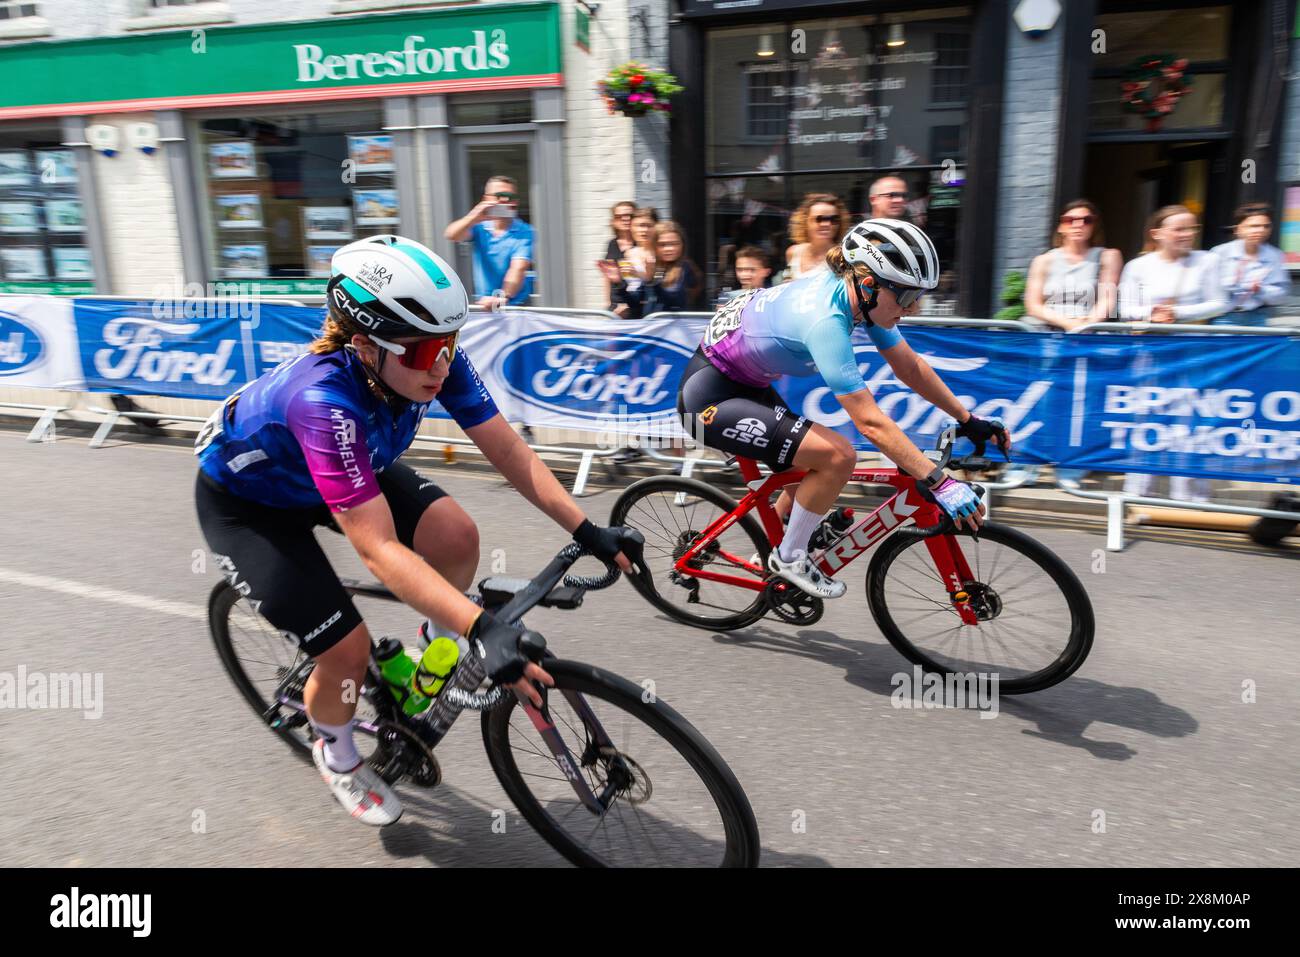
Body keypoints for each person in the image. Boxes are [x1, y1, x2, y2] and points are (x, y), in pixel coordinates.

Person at [194, 235, 631, 826]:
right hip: (251, 507)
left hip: (343, 468)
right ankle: (339, 752)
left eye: (451, 344)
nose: (443, 363)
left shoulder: (421, 360)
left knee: (457, 536)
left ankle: (432, 647)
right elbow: (377, 549)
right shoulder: (323, 402)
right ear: (364, 347)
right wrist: (480, 625)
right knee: (344, 653)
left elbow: (509, 451)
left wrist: (587, 528)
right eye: (426, 352)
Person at [677, 218, 1009, 599]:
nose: (914, 308)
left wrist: (968, 419)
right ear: (869, 285)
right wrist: (940, 482)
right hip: (708, 400)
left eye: (919, 296)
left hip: (746, 382)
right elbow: (869, 423)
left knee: (809, 466)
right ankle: (789, 559)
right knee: (837, 455)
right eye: (906, 297)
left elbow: (909, 366)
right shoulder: (826, 320)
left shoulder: (861, 297)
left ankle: (781, 541)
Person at [1119, 205, 1227, 503]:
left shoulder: (1208, 262)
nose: (1187, 234)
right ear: (1158, 233)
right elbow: (1126, 308)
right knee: (1147, 416)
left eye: (1192, 228)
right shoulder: (1138, 266)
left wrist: (1177, 312)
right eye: (1179, 228)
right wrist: (1152, 315)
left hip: (1194, 352)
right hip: (1152, 350)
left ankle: (1189, 495)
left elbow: (1220, 302)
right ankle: (1139, 492)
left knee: (1190, 418)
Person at [1024, 199, 1123, 331]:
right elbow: (1033, 305)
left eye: (1087, 220)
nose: (1078, 224)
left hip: (1088, 327)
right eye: (1070, 220)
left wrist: (1086, 325)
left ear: (1093, 226)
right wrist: (1068, 323)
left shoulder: (1108, 256)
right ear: (1061, 227)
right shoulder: (1043, 260)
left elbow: (1107, 301)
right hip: (1047, 327)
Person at [443, 175, 534, 308]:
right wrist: (474, 216)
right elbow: (451, 235)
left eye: (510, 197)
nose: (505, 201)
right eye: (499, 196)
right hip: (485, 303)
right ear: (486, 199)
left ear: (516, 202)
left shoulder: (525, 231)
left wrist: (502, 297)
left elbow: (518, 268)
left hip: (516, 305)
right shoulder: (479, 227)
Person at [1210, 202, 1289, 327]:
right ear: (1238, 229)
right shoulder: (1220, 252)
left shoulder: (1275, 255)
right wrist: (1236, 282)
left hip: (1257, 317)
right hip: (1225, 317)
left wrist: (1261, 289)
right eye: (1253, 226)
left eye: (1266, 226)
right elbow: (1210, 288)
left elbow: (1281, 296)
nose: (1260, 230)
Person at [783, 193, 848, 281]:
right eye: (819, 219)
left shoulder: (842, 257)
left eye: (833, 219)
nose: (827, 224)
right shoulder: (793, 252)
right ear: (805, 221)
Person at [644, 220, 703, 314]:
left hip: (673, 326)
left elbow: (674, 300)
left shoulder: (685, 268)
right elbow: (637, 300)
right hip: (649, 326)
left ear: (682, 245)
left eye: (675, 244)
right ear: (654, 246)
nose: (669, 249)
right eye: (662, 245)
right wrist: (620, 284)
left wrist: (652, 281)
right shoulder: (651, 265)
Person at [597, 200, 637, 312]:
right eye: (619, 216)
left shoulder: (641, 244)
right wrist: (607, 302)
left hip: (634, 302)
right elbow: (607, 276)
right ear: (614, 221)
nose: (626, 219)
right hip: (615, 303)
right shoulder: (612, 244)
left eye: (630, 215)